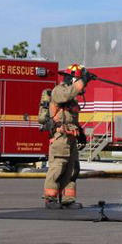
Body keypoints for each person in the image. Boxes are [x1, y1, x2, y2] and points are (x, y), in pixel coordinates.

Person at [41, 63, 94, 210]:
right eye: (80, 80)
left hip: (71, 139)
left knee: (72, 169)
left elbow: (72, 119)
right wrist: (83, 80)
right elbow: (67, 94)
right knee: (58, 167)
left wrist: (80, 133)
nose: (83, 86)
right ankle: (50, 199)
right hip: (60, 138)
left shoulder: (73, 100)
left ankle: (68, 199)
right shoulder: (59, 91)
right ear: (73, 79)